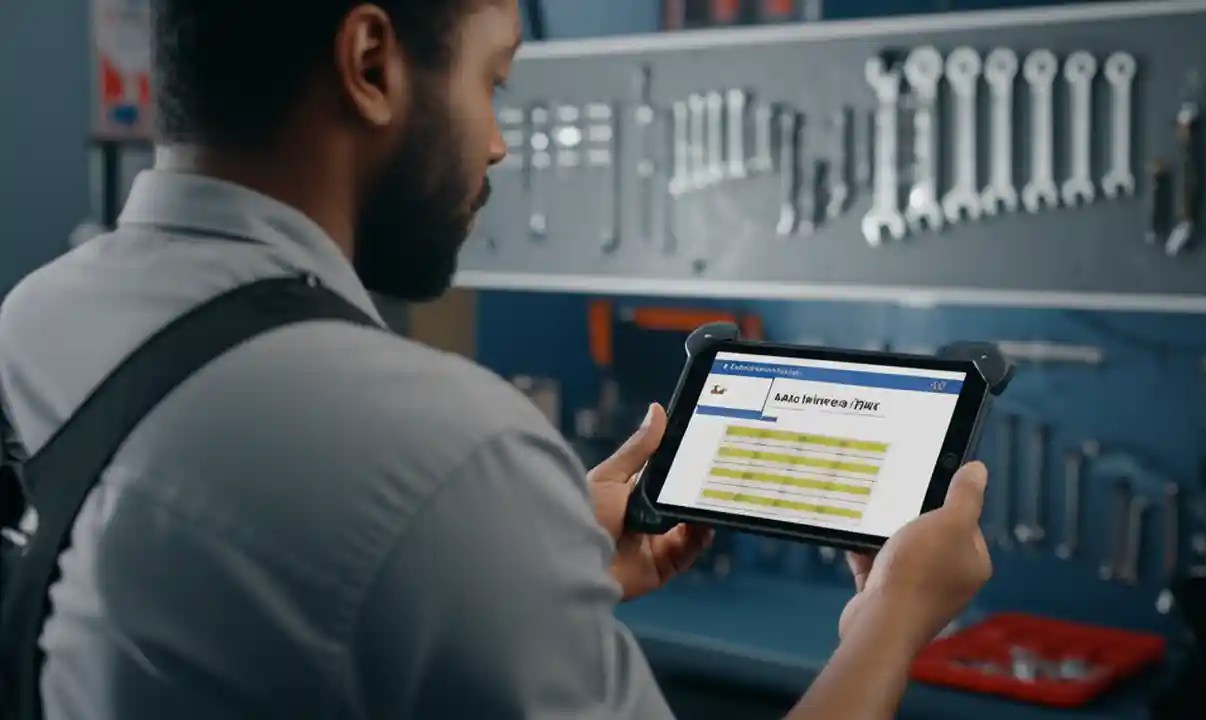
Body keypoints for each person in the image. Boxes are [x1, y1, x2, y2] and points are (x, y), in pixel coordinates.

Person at [0, 1, 993, 717]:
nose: (499, 142)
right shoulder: (446, 448)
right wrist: (892, 619)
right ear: (370, 60)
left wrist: (521, 564)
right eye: (493, 81)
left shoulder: (37, 319)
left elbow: (239, 634)